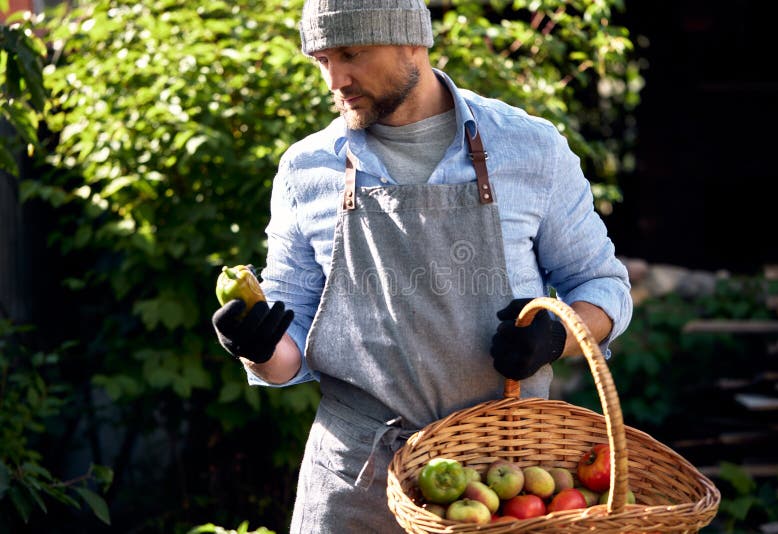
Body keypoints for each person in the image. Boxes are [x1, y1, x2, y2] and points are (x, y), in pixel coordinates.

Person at [212, 0, 633, 531]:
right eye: (321, 60)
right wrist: (258, 347)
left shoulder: (530, 147)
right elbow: (289, 346)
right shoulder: (306, 169)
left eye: (351, 54)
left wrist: (557, 338)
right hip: (355, 480)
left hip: (504, 483)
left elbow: (602, 286)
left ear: (413, 39)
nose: (334, 79)